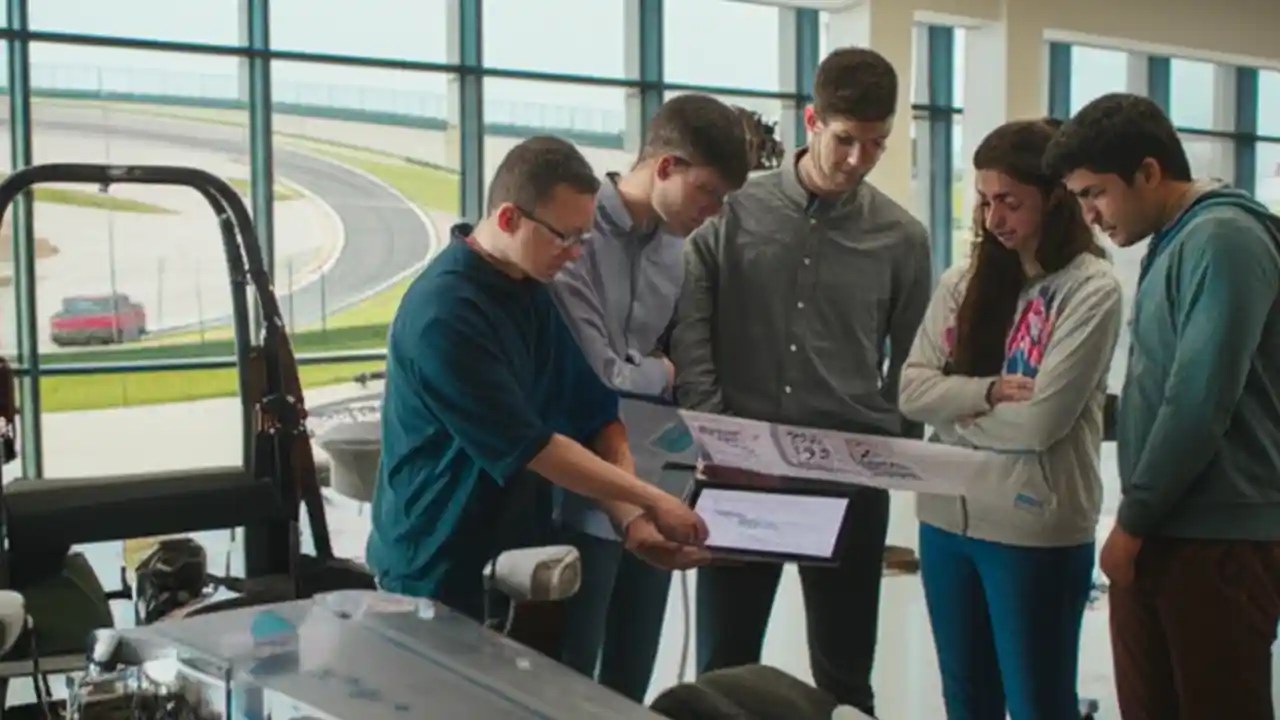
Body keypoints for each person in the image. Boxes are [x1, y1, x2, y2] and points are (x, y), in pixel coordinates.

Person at [670, 46, 932, 717]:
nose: (857, 160)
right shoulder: (730, 212)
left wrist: (892, 451)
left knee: (846, 682)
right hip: (738, 472)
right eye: (845, 140)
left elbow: (913, 366)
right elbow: (693, 332)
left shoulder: (903, 239)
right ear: (813, 120)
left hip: (847, 478)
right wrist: (715, 436)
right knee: (723, 672)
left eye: (876, 145)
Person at [366, 135, 710, 625]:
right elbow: (535, 447)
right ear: (508, 219)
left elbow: (594, 415)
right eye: (564, 236)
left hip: (516, 563)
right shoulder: (443, 315)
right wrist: (652, 499)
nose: (574, 255)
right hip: (435, 571)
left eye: (583, 238)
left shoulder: (528, 289)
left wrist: (630, 521)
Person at [1045, 92, 1280, 720]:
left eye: (1095, 193)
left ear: (1148, 172)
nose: (1090, 216)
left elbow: (1200, 401)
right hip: (1170, 530)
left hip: (1214, 537)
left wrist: (1134, 523)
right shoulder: (1173, 241)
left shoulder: (1225, 238)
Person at [897, 118, 1123, 720]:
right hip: (945, 522)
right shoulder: (963, 281)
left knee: (1037, 705)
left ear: (1055, 200)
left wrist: (954, 412)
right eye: (986, 201)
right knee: (966, 701)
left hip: (1033, 530)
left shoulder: (1090, 289)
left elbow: (1040, 425)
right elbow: (911, 392)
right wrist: (989, 392)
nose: (995, 219)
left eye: (1010, 203)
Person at [548, 94, 750, 701]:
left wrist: (655, 373)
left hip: (656, 481)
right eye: (706, 193)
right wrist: (658, 372)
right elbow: (598, 372)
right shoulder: (576, 233)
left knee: (632, 678)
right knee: (571, 680)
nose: (712, 213)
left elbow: (662, 369)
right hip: (577, 488)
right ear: (666, 167)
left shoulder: (675, 250)